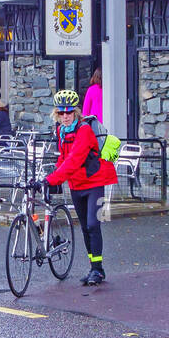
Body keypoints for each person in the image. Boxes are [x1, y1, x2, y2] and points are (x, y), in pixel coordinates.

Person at [45, 89, 117, 287]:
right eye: (61, 113)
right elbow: (63, 158)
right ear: (56, 114)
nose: (65, 116)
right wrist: (50, 177)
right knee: (85, 227)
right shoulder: (61, 131)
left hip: (95, 183)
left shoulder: (84, 130)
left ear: (76, 113)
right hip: (76, 184)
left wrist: (53, 179)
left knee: (94, 224)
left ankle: (98, 269)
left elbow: (75, 159)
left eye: (69, 112)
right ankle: (93, 267)